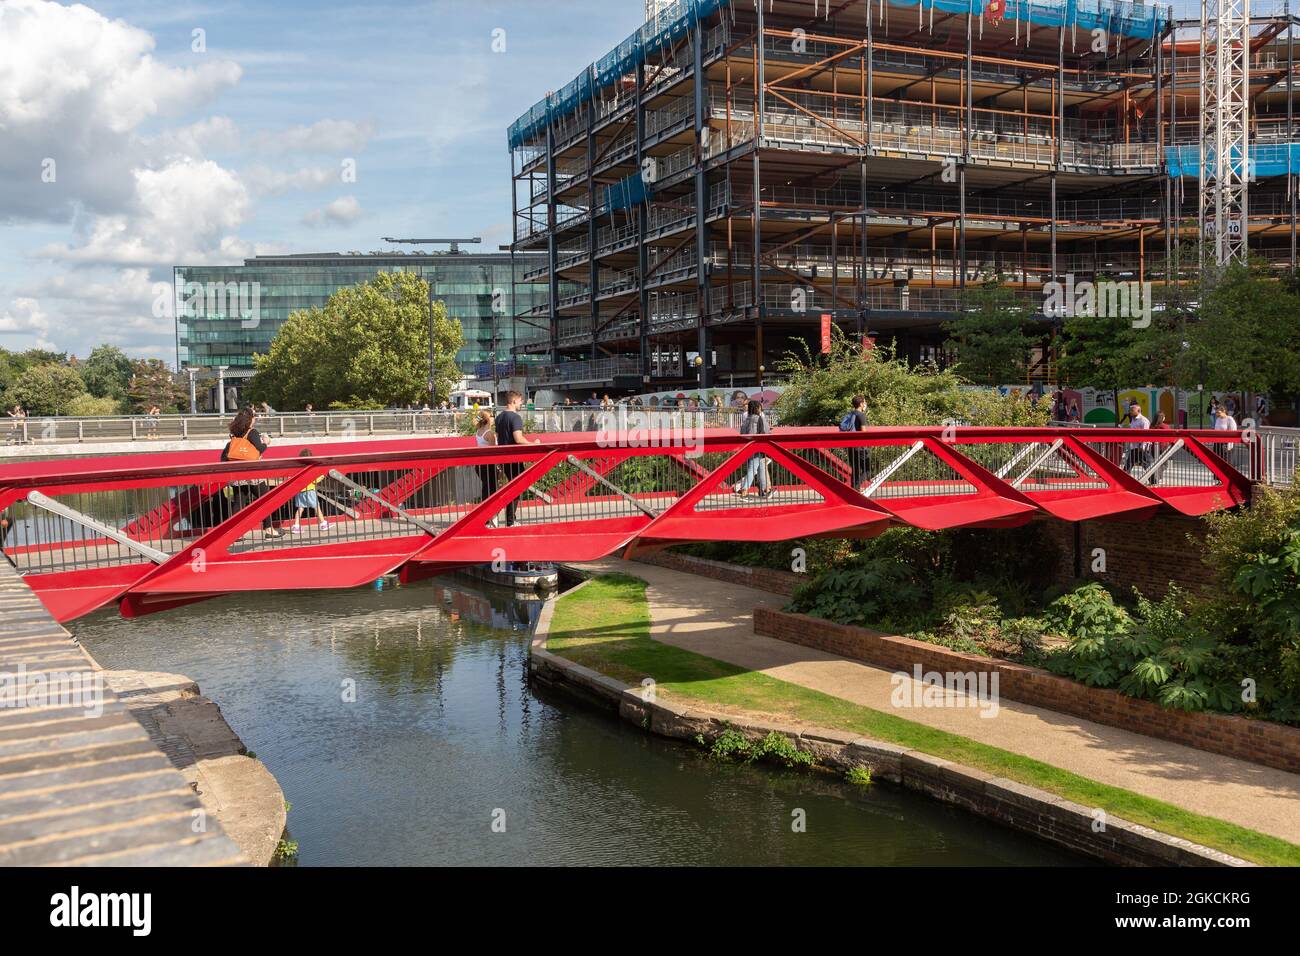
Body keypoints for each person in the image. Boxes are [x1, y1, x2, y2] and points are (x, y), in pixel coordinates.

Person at [220, 407, 282, 538]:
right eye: (254, 417)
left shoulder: (235, 432)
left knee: (239, 502)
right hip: (252, 473)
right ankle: (268, 528)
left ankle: (235, 533)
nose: (255, 419)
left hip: (237, 473)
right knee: (265, 499)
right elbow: (259, 449)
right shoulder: (252, 432)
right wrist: (266, 443)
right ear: (250, 419)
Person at [496, 391, 541, 527]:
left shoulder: (499, 417)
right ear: (514, 401)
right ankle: (510, 521)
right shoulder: (515, 418)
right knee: (516, 488)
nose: (522, 403)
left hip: (503, 457)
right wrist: (534, 444)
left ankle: (510, 519)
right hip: (514, 457)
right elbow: (518, 438)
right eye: (521, 401)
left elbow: (499, 438)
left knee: (511, 486)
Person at [733, 400, 772, 498]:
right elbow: (766, 432)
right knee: (752, 469)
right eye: (759, 407)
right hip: (758, 446)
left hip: (748, 447)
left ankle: (765, 490)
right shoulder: (759, 418)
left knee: (761, 468)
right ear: (757, 408)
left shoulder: (746, 420)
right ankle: (744, 490)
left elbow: (742, 433)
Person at [291, 449, 329, 534]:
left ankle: (296, 526)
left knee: (300, 508)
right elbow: (313, 480)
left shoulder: (299, 467)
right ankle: (323, 523)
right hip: (310, 490)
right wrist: (322, 476)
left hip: (300, 491)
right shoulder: (310, 467)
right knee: (316, 507)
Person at [841, 395, 871, 489]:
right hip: (860, 447)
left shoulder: (851, 414)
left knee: (856, 469)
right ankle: (856, 487)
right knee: (868, 470)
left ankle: (854, 491)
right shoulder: (861, 415)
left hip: (851, 446)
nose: (865, 404)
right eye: (865, 402)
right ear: (861, 404)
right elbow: (864, 432)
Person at [473, 410, 498, 503]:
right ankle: (490, 512)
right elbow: (494, 451)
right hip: (488, 464)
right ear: (488, 419)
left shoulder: (479, 431)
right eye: (492, 416)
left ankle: (486, 511)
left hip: (480, 464)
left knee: (486, 488)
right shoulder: (489, 433)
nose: (493, 417)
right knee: (491, 489)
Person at [1121, 400, 1151, 472]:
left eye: (1132, 410)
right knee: (1129, 463)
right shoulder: (1133, 420)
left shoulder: (1143, 420)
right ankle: (1123, 477)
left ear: (1138, 410)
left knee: (1145, 464)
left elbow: (1146, 433)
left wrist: (1143, 446)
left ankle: (1154, 480)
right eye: (1130, 410)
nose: (1130, 412)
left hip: (1141, 446)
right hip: (1134, 446)